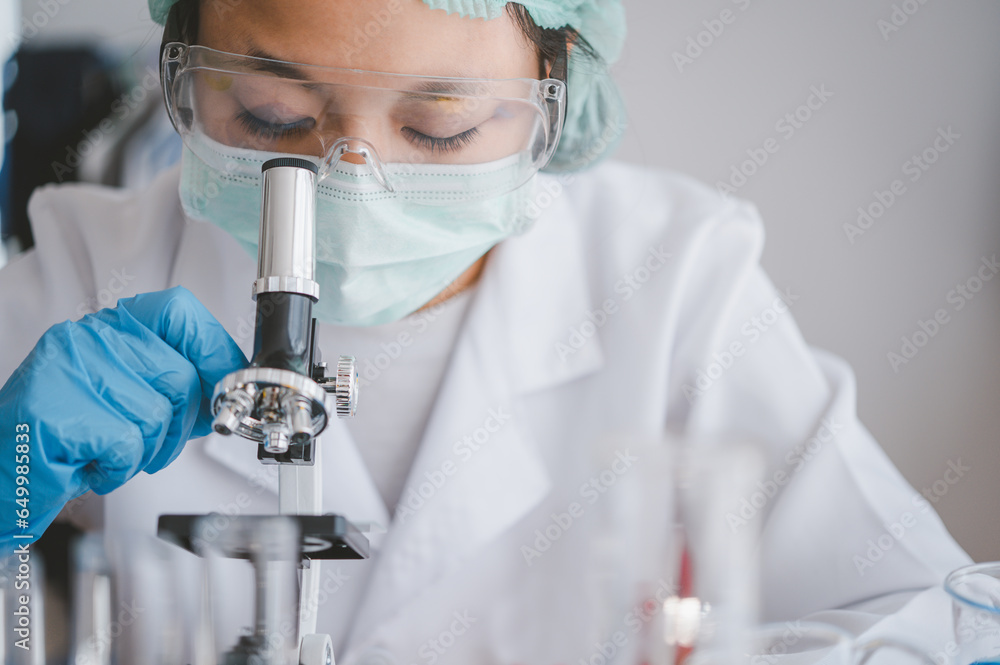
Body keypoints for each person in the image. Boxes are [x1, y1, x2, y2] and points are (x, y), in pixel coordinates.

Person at [0, 0, 971, 662]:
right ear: (179, 71)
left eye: (440, 127)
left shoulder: (671, 277)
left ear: (554, 101)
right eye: (270, 113)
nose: (347, 176)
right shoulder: (91, 269)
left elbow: (936, 621)